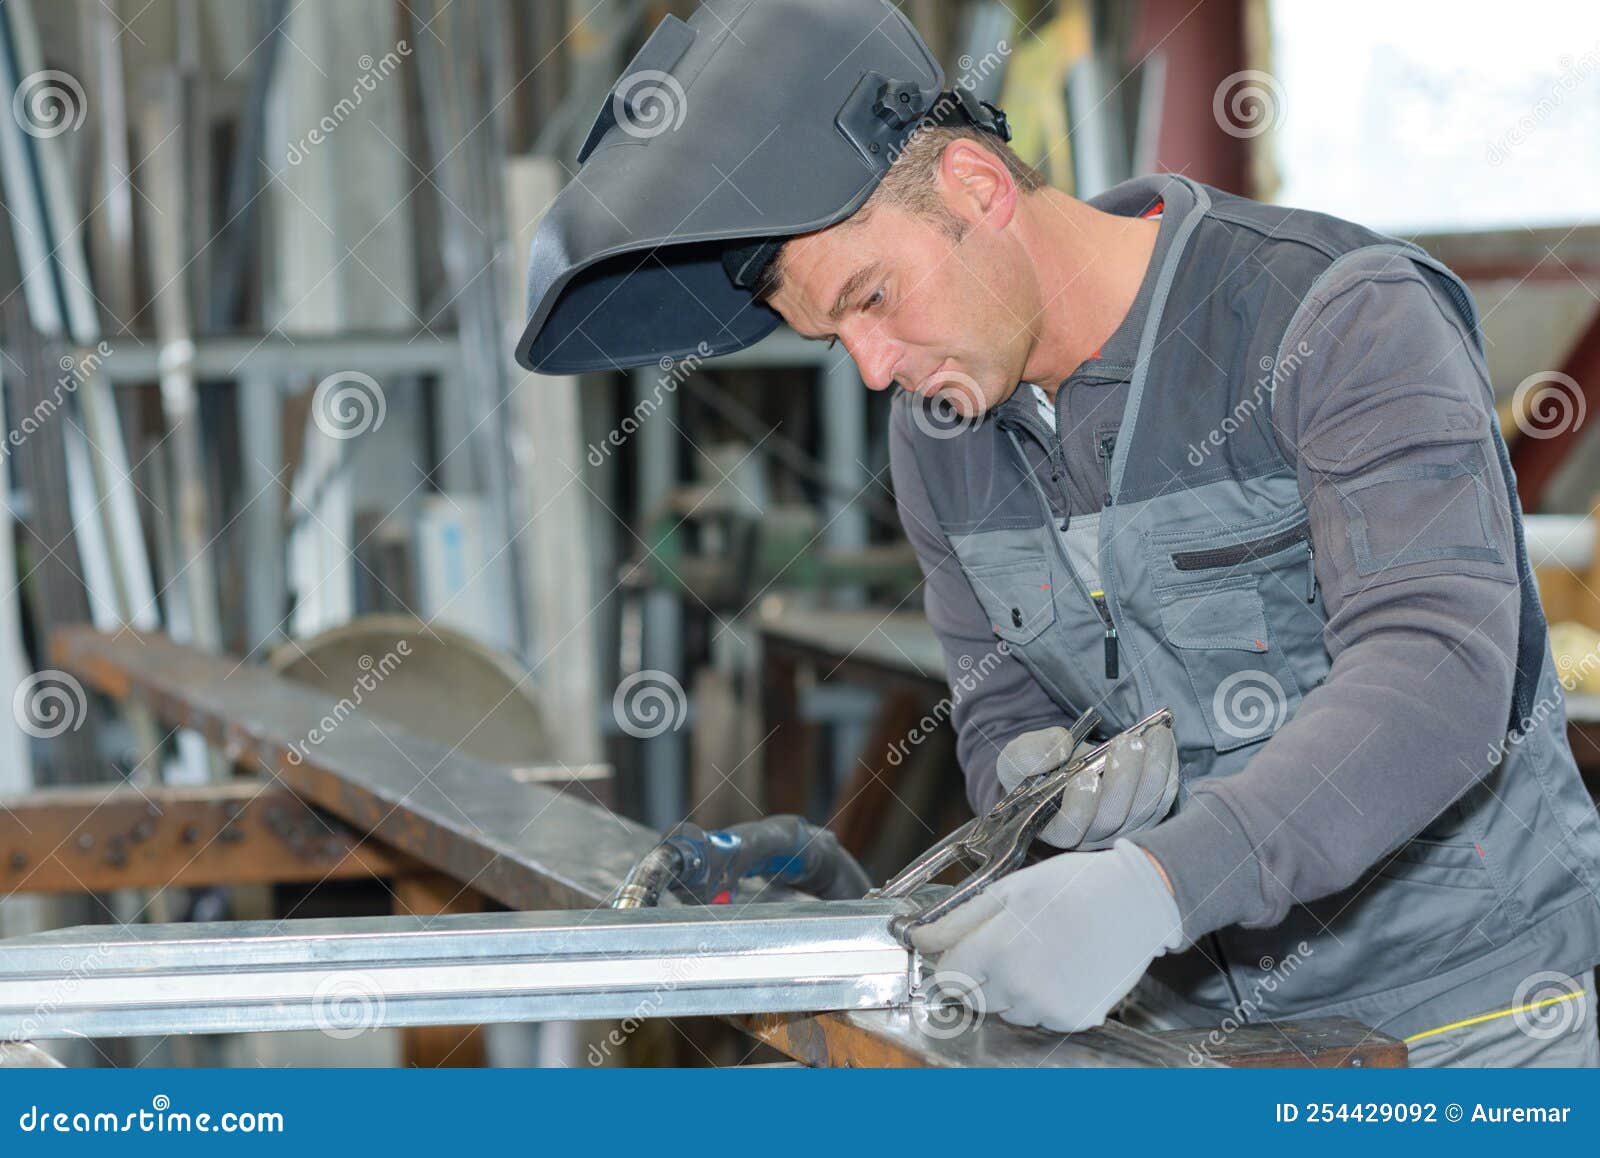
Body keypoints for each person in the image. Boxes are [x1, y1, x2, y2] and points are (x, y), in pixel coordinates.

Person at [515, 0, 1600, 1065]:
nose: (874, 368)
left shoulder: (1337, 316)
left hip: (1466, 1025)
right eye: (835, 335)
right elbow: (999, 710)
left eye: (872, 297)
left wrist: (1158, 885)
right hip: (1170, 1040)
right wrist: (1037, 785)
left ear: (977, 187)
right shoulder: (939, 434)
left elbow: (1437, 672)